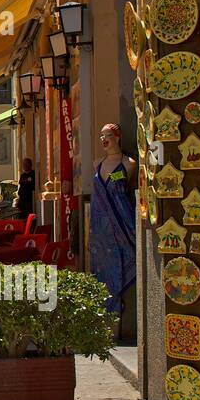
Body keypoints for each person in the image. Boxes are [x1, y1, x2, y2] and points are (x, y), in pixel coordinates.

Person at [90, 123, 137, 317]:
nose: (103, 139)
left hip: (122, 218)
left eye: (107, 135)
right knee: (102, 262)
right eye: (101, 135)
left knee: (128, 254)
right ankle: (105, 306)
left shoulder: (129, 163)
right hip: (100, 224)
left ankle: (120, 301)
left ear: (117, 137)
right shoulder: (97, 163)